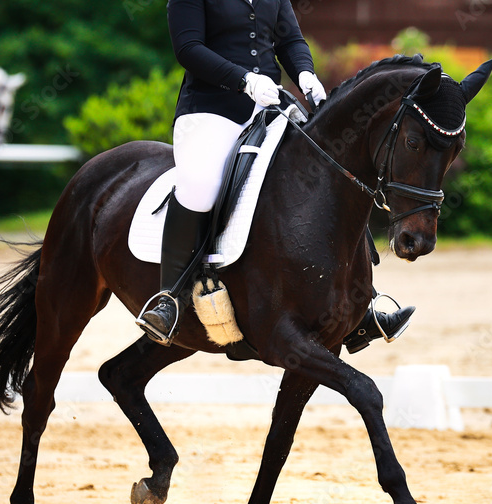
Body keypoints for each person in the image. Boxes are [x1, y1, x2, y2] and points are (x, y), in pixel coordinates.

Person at [139, 0, 414, 352]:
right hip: (211, 110)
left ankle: (363, 307)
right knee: (201, 187)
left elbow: (291, 41)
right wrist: (243, 80)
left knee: (327, 174)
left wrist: (305, 74)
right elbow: (189, 49)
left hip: (269, 106)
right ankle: (170, 299)